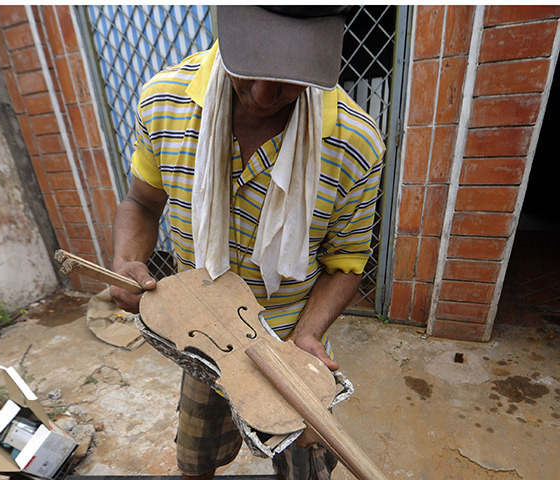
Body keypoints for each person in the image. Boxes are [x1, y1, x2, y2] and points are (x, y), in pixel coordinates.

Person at [109, 6, 384, 480]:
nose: (261, 95)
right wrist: (125, 259)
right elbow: (142, 202)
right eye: (250, 66)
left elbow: (346, 262)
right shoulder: (164, 102)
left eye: (287, 78)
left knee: (307, 471)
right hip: (204, 339)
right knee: (195, 461)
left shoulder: (356, 143)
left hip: (291, 345)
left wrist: (308, 336)